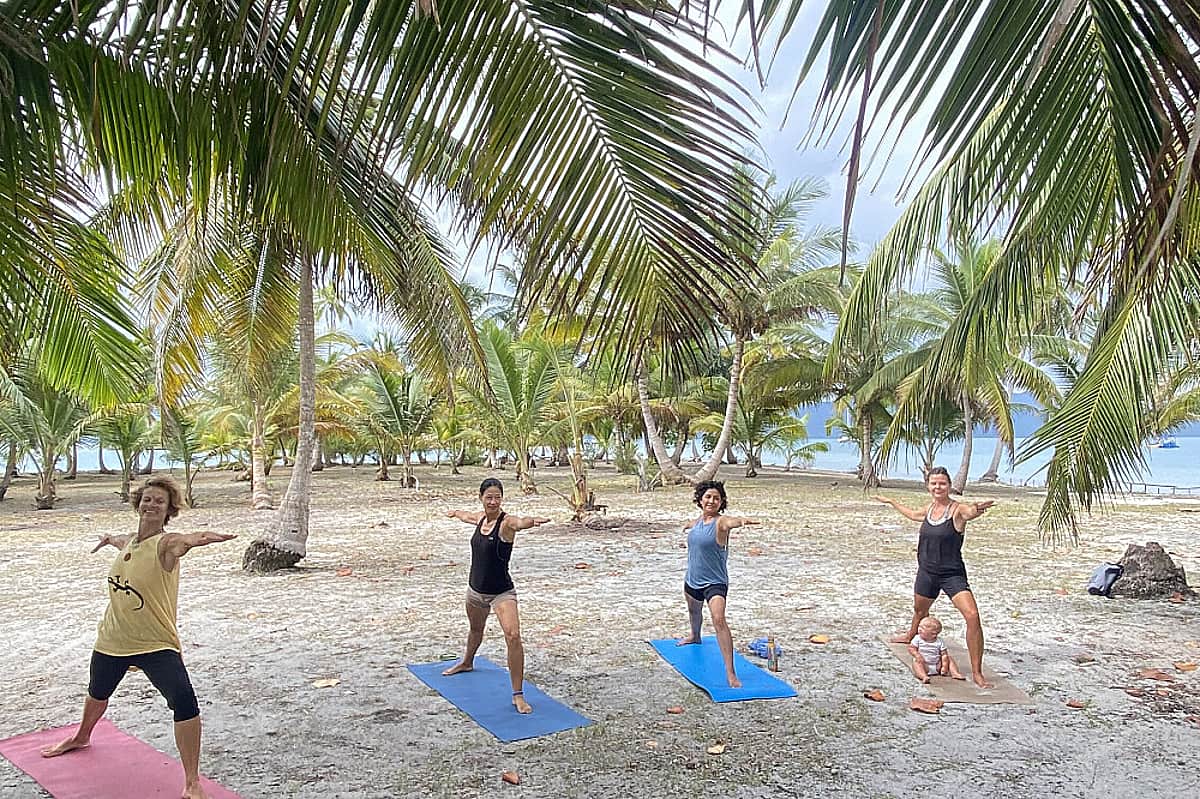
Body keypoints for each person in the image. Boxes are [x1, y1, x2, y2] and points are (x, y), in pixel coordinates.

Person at [40, 476, 236, 799]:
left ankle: (191, 782)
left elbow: (185, 540)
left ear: (169, 509)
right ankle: (82, 736)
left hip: (155, 643)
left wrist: (206, 538)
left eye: (160, 501)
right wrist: (107, 539)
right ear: (138, 503)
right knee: (97, 692)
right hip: (112, 639)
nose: (151, 504)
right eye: (147, 499)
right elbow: (123, 541)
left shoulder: (166, 544)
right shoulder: (131, 541)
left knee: (184, 701)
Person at [876, 466, 995, 688]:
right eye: (934, 483)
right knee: (920, 611)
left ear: (949, 485)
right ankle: (911, 634)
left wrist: (976, 509)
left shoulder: (957, 510)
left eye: (942, 483)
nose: (938, 487)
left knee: (972, 615)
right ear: (928, 486)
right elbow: (912, 514)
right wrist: (892, 502)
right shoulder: (929, 509)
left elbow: (968, 512)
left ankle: (977, 672)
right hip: (927, 572)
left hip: (952, 574)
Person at [442, 478, 550, 714]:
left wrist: (531, 522)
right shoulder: (479, 518)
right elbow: (466, 516)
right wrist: (454, 512)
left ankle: (518, 694)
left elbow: (520, 522)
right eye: (489, 497)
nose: (493, 501)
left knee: (513, 636)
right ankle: (467, 662)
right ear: (481, 498)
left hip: (501, 593)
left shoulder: (506, 523)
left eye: (497, 497)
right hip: (475, 591)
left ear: (502, 499)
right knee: (475, 630)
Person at [676, 480, 758, 688]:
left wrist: (742, 521)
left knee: (719, 619)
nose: (711, 501)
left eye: (716, 498)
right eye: (708, 497)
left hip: (715, 582)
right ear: (700, 500)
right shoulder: (697, 522)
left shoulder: (720, 523)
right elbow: (693, 526)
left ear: (721, 502)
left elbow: (731, 522)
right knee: (694, 613)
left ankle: (731, 673)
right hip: (692, 579)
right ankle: (695, 636)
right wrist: (686, 525)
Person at [907, 615, 965, 683]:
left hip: (937, 665)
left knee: (949, 658)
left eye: (922, 628)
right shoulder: (917, 638)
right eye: (919, 626)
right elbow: (911, 648)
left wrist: (944, 666)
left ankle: (955, 673)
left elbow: (944, 655)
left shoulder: (939, 641)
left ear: (933, 634)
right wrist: (917, 655)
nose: (919, 629)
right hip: (925, 665)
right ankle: (923, 676)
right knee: (916, 662)